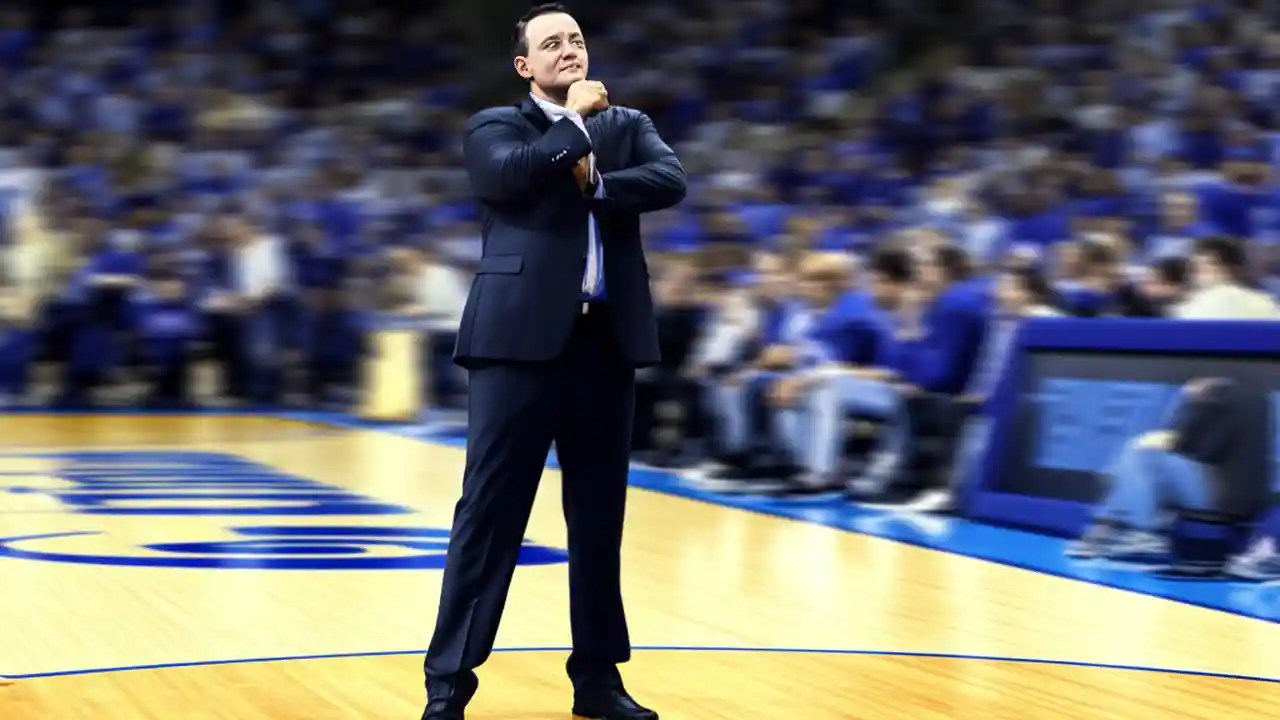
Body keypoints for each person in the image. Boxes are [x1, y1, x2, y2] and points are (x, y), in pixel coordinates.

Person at [421, 5, 686, 720]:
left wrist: (601, 184)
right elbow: (509, 178)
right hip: (515, 347)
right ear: (524, 66)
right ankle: (448, 686)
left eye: (575, 38)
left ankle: (598, 680)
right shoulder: (494, 126)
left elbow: (669, 179)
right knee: (488, 516)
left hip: (605, 344)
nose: (568, 49)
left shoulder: (626, 125)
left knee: (599, 521)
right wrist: (572, 126)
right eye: (551, 43)